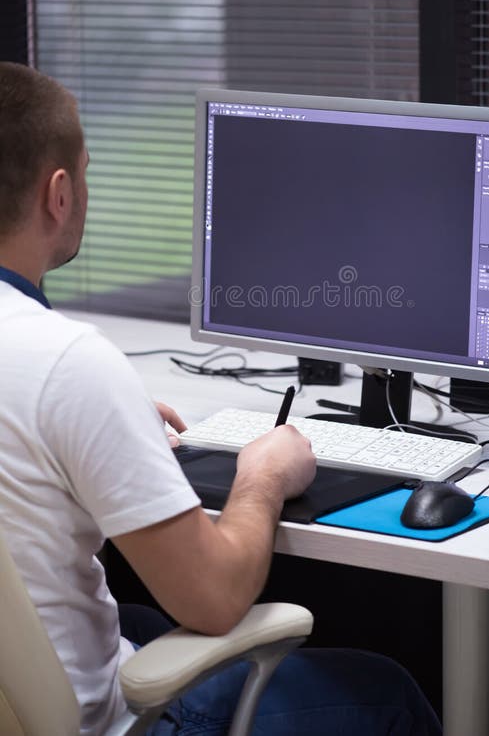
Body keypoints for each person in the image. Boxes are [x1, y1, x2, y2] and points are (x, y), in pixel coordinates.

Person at [0, 61, 441, 736]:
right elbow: (213, 600)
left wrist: (91, 429)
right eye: (86, 170)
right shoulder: (66, 365)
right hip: (98, 722)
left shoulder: (55, 375)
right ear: (58, 193)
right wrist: (263, 476)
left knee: (140, 615)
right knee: (387, 694)